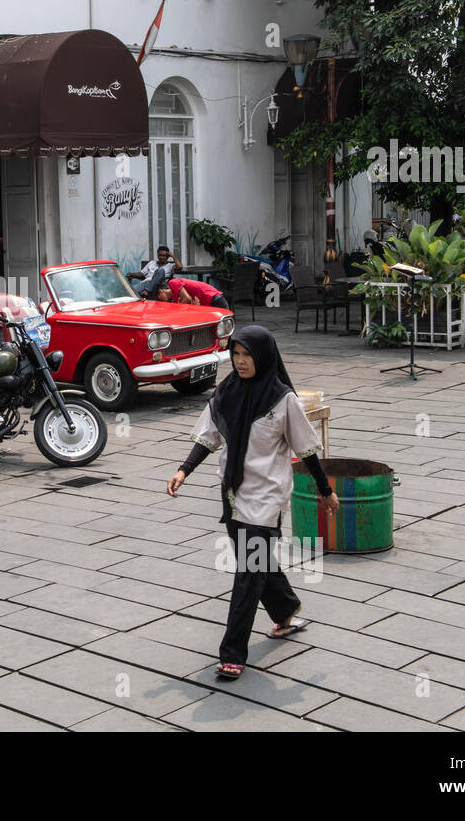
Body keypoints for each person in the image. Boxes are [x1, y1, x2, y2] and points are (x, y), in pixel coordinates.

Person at [165, 326, 339, 680]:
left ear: (264, 357)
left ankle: (232, 653)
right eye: (236, 354)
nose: (241, 362)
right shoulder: (227, 392)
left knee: (247, 575)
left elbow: (306, 449)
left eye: (248, 355)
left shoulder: (282, 399)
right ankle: (286, 609)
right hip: (233, 494)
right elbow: (210, 436)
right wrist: (184, 470)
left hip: (267, 498)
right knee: (256, 563)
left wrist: (325, 489)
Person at [162, 277, 229, 308]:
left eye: (159, 299)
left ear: (161, 291)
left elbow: (187, 299)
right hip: (209, 304)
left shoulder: (173, 282)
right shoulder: (176, 298)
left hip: (214, 299)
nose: (161, 302)